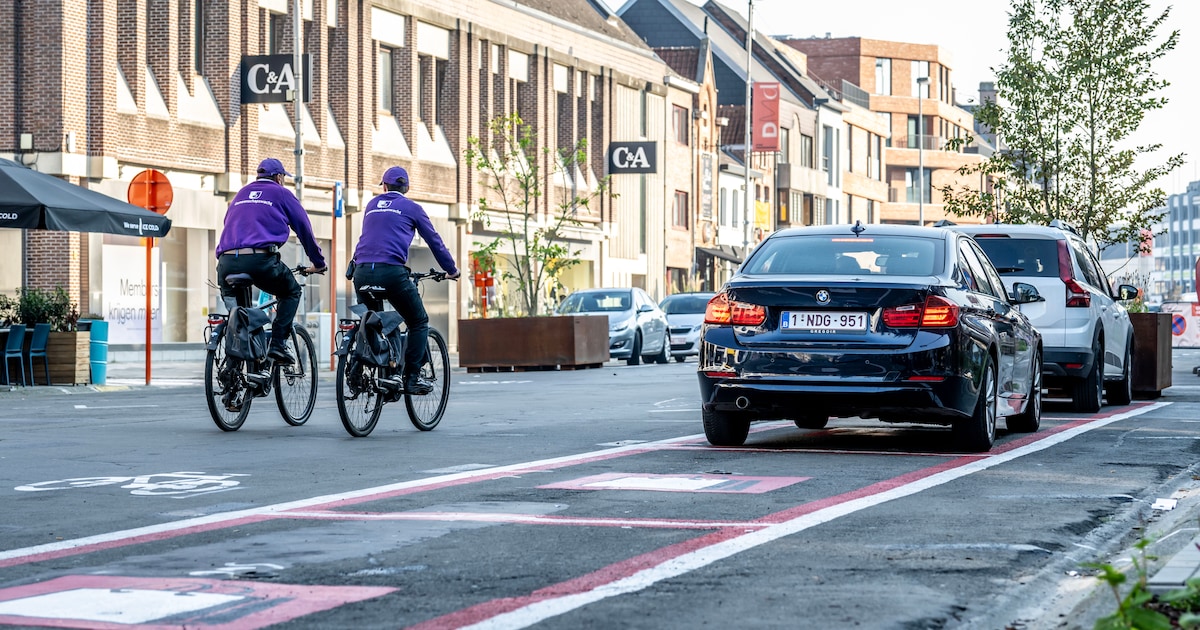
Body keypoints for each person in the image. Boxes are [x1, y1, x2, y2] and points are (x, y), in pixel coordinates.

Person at [351, 166, 460, 394]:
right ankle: (411, 377)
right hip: (391, 273)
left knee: (374, 319)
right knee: (418, 322)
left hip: (361, 272)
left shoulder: (371, 206)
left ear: (384, 186)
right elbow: (435, 242)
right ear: (407, 187)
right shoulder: (413, 208)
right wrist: (451, 269)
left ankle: (368, 368)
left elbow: (369, 239)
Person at [215, 158, 326, 365]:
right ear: (278, 177)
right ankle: (277, 344)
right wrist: (318, 262)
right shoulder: (282, 193)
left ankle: (236, 372)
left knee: (238, 317)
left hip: (226, 263)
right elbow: (304, 229)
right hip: (260, 260)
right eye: (283, 177)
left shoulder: (240, 194)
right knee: (291, 291)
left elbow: (228, 224)